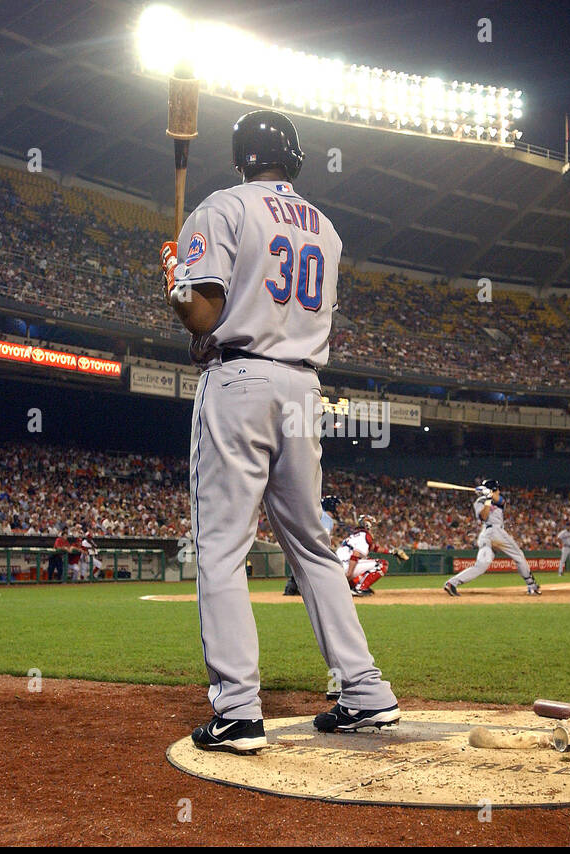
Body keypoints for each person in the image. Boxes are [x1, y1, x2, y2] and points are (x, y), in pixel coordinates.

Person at [161, 108, 398, 753]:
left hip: (239, 383)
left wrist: (177, 284)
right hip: (303, 390)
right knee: (315, 550)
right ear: (293, 156)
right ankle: (365, 690)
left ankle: (237, 708)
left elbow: (202, 313)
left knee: (221, 548)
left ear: (241, 155)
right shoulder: (325, 227)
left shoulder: (225, 206)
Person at [443, 480, 541, 596]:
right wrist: (487, 498)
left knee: (517, 557)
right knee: (483, 565)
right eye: (497, 489)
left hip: (496, 531)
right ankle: (451, 583)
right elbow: (484, 517)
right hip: (491, 533)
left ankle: (531, 585)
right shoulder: (479, 502)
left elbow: (501, 501)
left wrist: (489, 494)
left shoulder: (499, 500)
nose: (499, 491)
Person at [284, 495, 341, 595]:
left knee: (302, 566)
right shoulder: (327, 518)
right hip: (314, 545)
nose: (338, 509)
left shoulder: (316, 513)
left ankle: (292, 588)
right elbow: (322, 537)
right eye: (336, 506)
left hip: (300, 542)